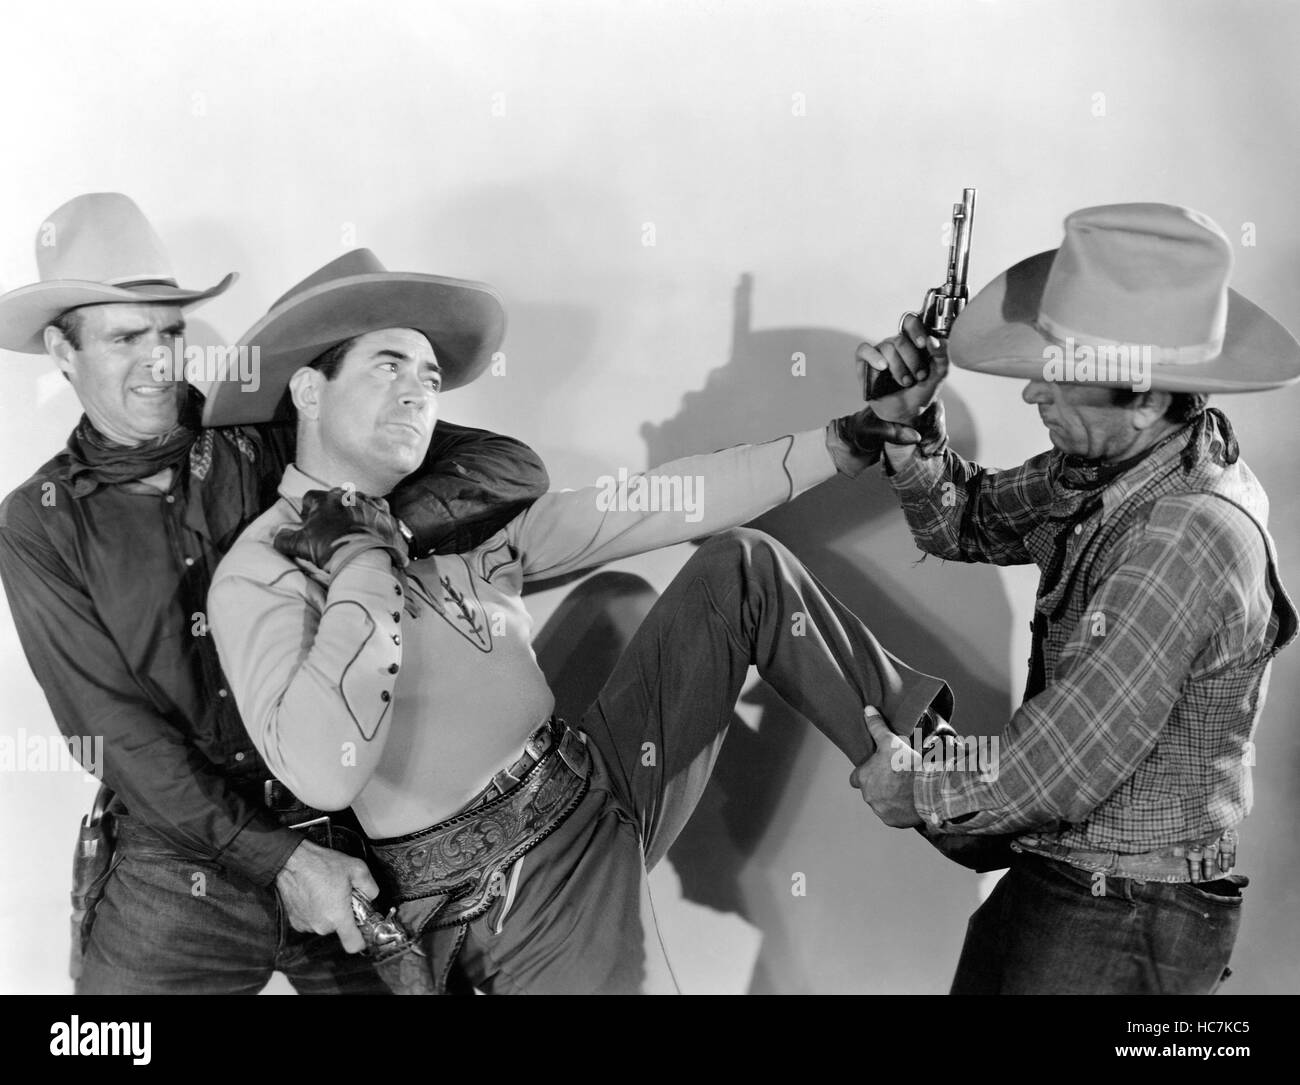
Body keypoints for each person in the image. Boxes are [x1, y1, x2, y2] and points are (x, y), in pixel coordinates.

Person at [207, 247, 955, 994]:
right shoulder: (261, 571)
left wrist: (852, 437)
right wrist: (362, 564)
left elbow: (654, 503)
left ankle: (936, 774)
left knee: (741, 566)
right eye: (388, 366)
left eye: (430, 379)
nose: (417, 395)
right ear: (309, 388)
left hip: (603, 773)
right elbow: (324, 770)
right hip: (509, 887)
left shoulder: (457, 524)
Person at [0, 193, 550, 994]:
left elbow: (511, 469)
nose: (160, 360)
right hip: (175, 856)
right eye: (126, 336)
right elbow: (114, 735)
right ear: (62, 347)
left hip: (351, 822)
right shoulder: (35, 524)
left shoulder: (262, 431)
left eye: (171, 331)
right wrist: (283, 859)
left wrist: (362, 523)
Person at [851, 202, 1300, 994]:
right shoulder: (1120, 459)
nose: (1030, 395)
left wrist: (914, 785)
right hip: (1065, 875)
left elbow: (1058, 765)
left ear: (1149, 398)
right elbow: (968, 521)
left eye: (1060, 375)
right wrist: (906, 421)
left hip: (1125, 911)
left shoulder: (1186, 536)